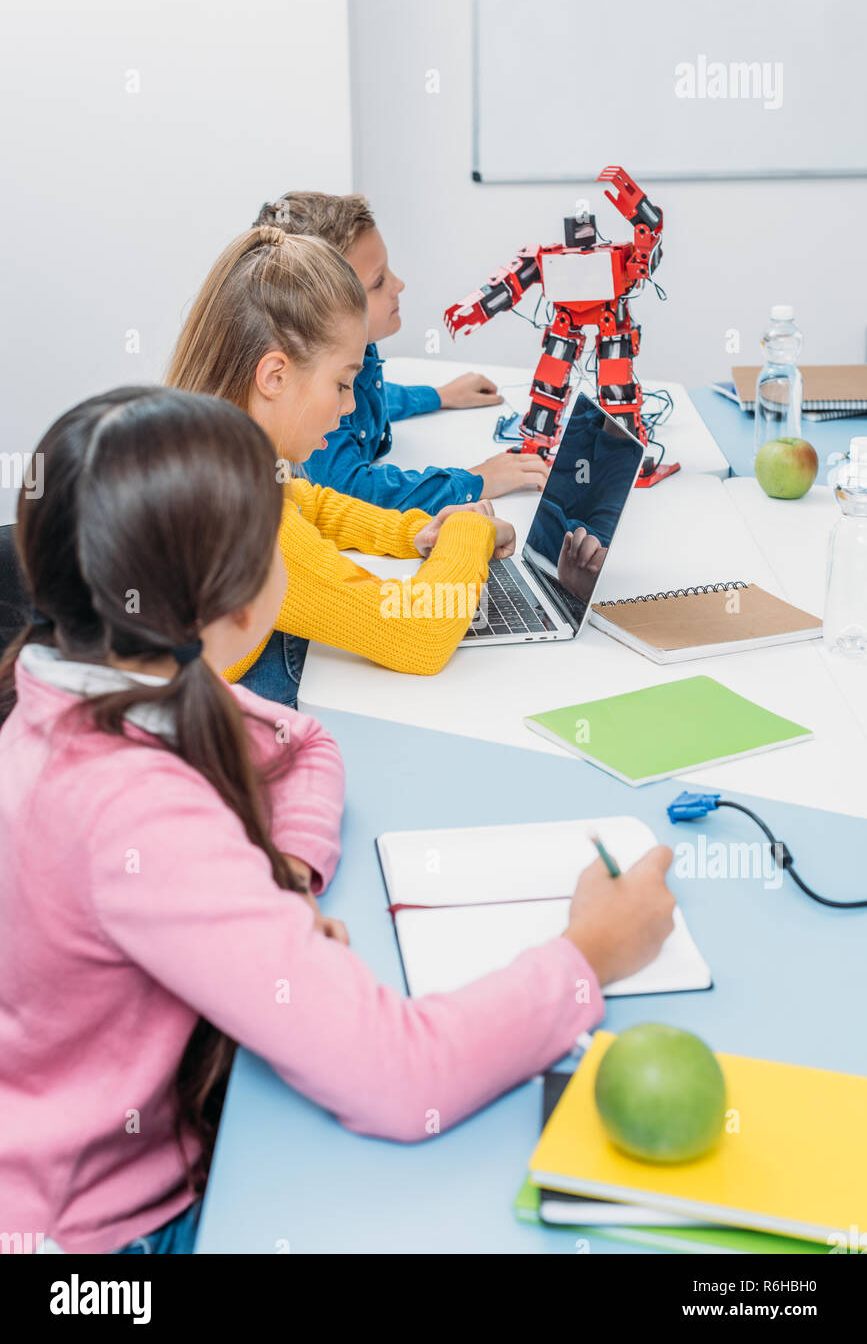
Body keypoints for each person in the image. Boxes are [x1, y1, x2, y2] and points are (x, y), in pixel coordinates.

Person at [0, 386, 677, 1252]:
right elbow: (403, 1079)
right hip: (104, 1236)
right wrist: (589, 956)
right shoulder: (132, 809)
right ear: (240, 605)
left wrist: (279, 882)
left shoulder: (79, 683)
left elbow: (300, 740)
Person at [166, 227, 517, 707]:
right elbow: (418, 633)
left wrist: (417, 533)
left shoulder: (207, 453)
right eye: (341, 384)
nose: (350, 408)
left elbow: (308, 501)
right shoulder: (247, 524)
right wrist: (471, 532)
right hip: (206, 735)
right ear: (274, 376)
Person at [254, 190, 549, 508]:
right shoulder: (311, 407)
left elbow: (370, 401)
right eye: (378, 282)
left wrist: (440, 396)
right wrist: (475, 480)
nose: (399, 285)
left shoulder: (351, 361)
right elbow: (350, 489)